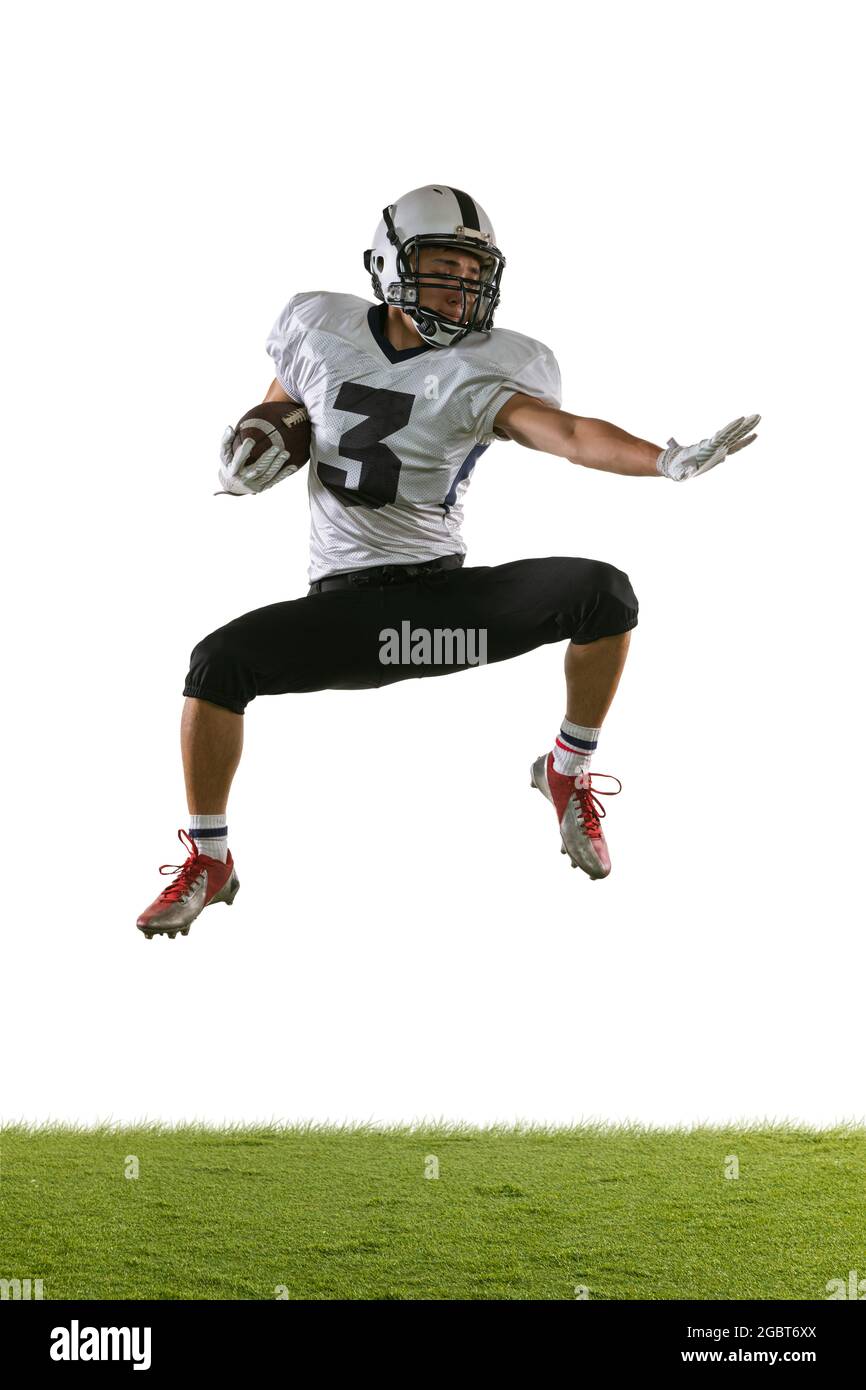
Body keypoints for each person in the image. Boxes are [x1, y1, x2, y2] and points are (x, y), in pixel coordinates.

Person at [136, 184, 760, 938]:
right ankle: (211, 860)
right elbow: (282, 413)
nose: (461, 285)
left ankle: (565, 769)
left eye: (473, 270)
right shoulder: (318, 325)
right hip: (352, 621)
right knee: (215, 666)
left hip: (443, 611)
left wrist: (661, 459)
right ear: (388, 264)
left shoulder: (487, 366)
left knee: (604, 593)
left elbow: (566, 433)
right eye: (442, 266)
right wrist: (249, 456)